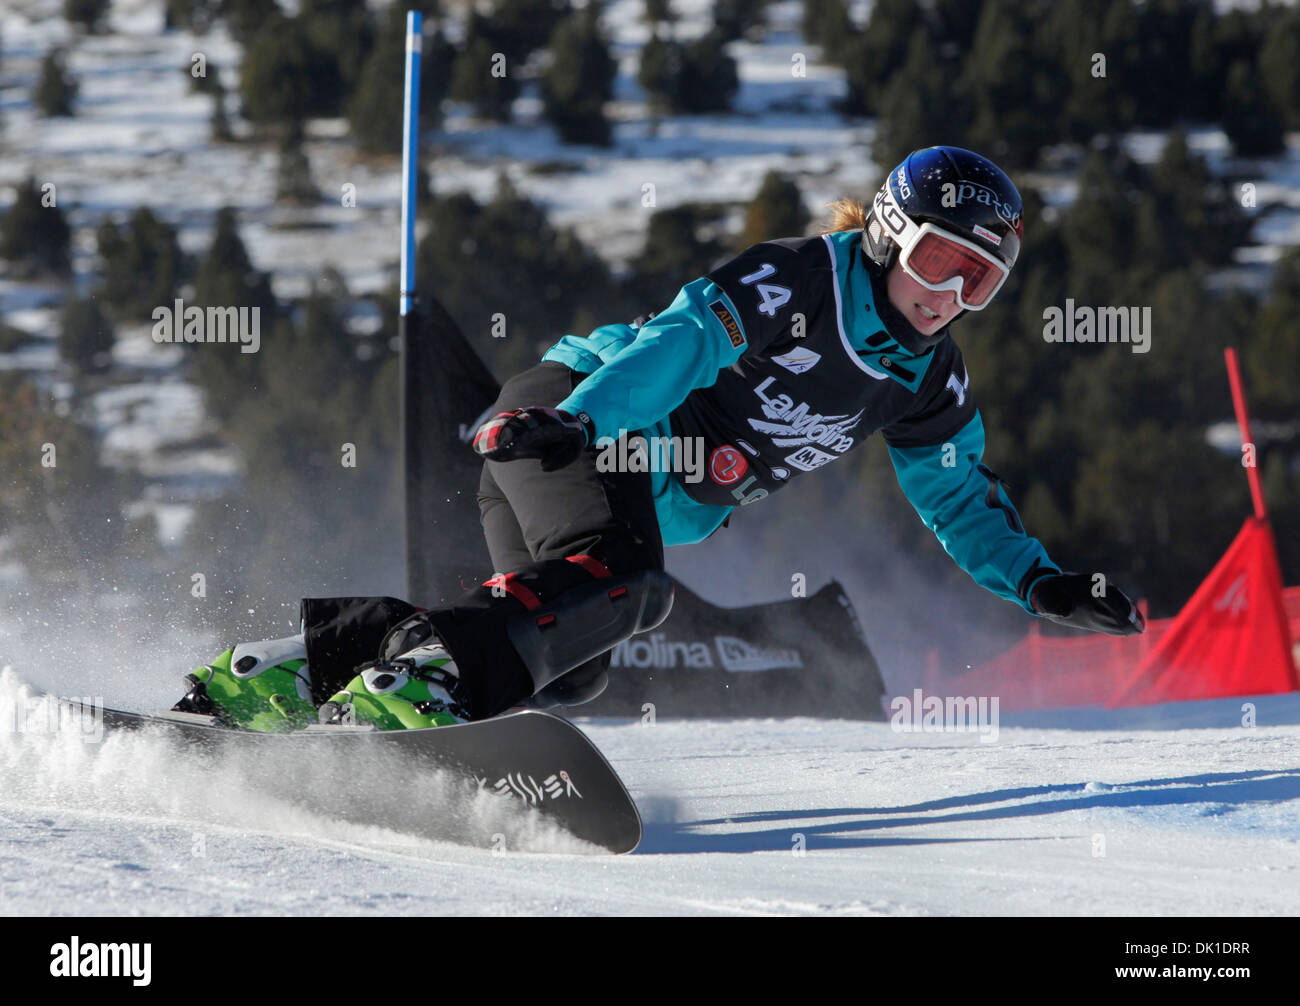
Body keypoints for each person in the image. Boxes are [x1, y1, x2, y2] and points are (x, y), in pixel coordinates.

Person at [173, 146, 1145, 732]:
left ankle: (294, 669)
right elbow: (682, 340)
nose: (947, 298)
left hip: (600, 459)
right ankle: (417, 686)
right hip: (574, 413)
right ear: (890, 231)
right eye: (939, 260)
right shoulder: (802, 281)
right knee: (619, 583)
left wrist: (1039, 581)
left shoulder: (925, 377)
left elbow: (957, 494)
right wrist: (580, 419)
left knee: (572, 661)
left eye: (978, 283)